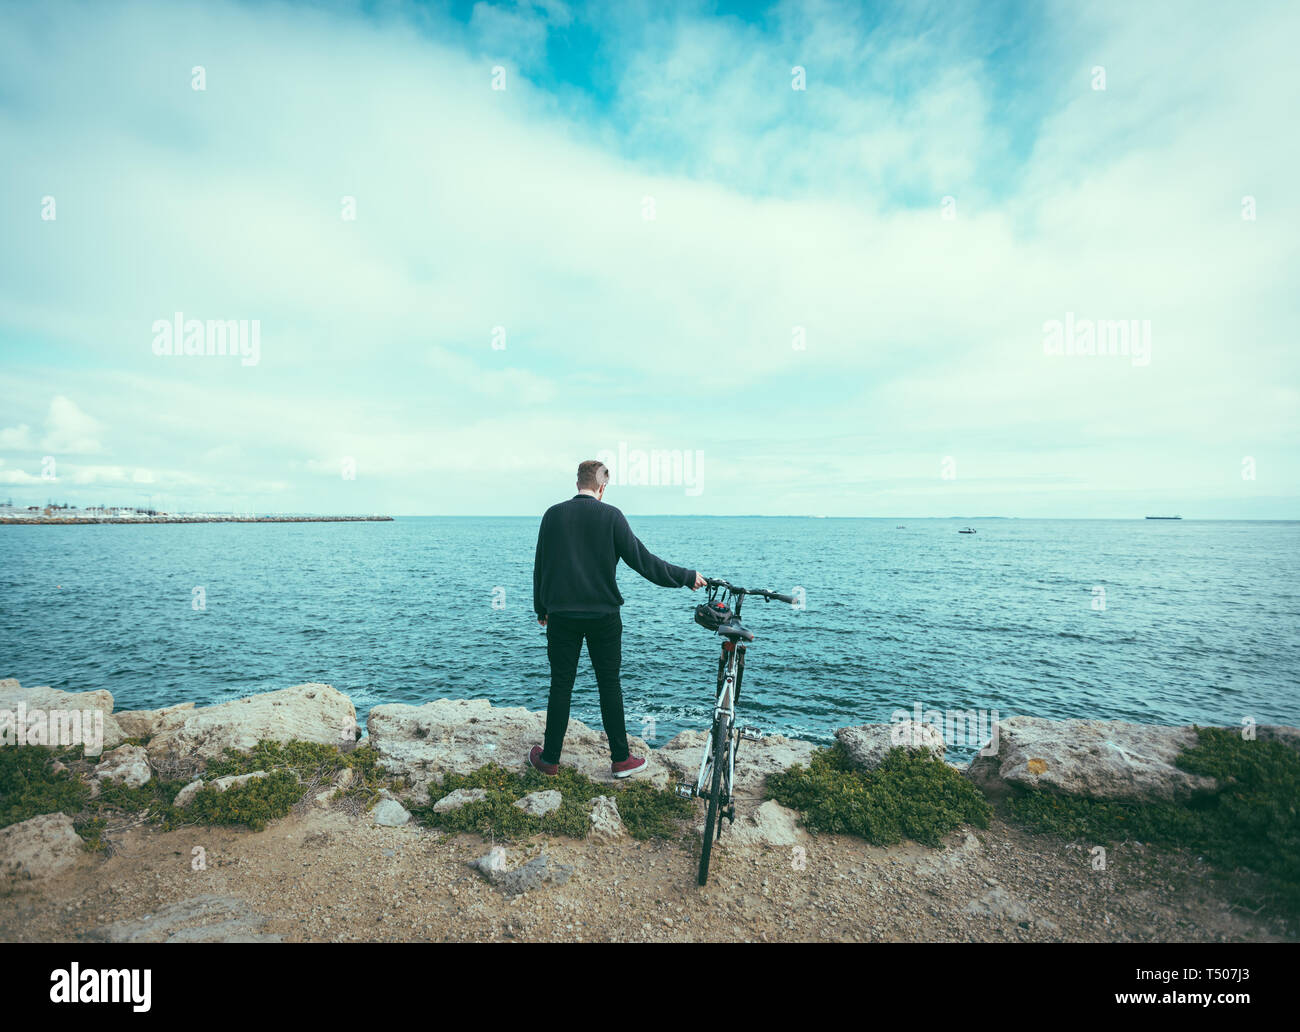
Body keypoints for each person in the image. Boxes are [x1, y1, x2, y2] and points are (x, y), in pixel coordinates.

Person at [529, 459, 705, 778]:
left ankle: (550, 759)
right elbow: (644, 562)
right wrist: (686, 576)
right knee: (609, 685)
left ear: (577, 482)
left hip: (561, 616)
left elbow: (541, 566)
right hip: (604, 617)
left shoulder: (552, 515)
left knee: (561, 686)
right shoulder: (611, 516)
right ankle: (621, 760)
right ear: (602, 486)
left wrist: (541, 609)